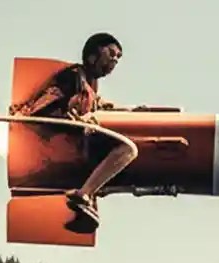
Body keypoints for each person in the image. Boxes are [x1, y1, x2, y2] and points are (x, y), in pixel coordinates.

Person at [9, 32, 139, 232]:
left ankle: (86, 200)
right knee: (127, 149)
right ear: (93, 54)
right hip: (67, 137)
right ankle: (84, 194)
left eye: (118, 58)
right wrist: (72, 120)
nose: (114, 60)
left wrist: (133, 110)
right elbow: (42, 109)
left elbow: (101, 106)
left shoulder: (90, 86)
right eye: (111, 53)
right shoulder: (73, 76)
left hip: (75, 138)